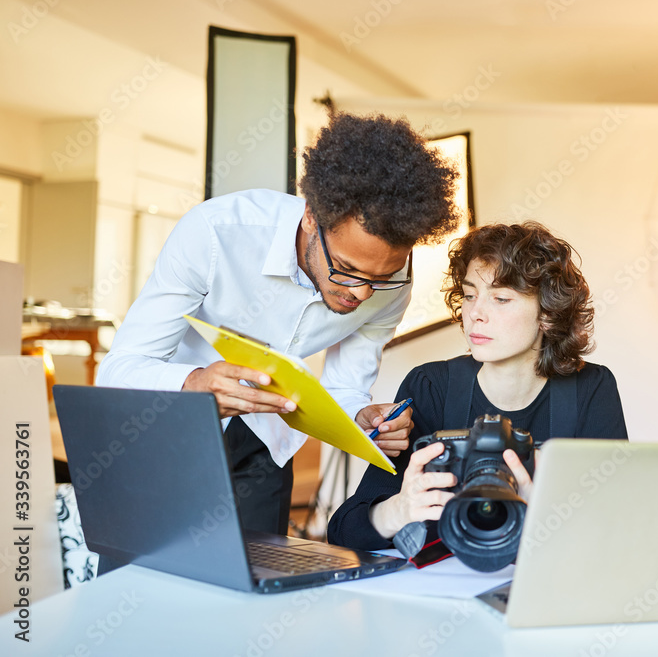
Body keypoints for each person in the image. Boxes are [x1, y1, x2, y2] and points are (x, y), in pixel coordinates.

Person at [97, 112, 460, 536]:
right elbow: (118, 370)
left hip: (265, 446)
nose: (362, 294)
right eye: (346, 269)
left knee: (256, 590)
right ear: (310, 217)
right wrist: (196, 382)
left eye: (379, 278)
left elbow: (344, 388)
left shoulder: (391, 286)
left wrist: (363, 417)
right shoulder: (216, 234)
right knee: (136, 585)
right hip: (164, 428)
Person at [327, 222, 628, 550]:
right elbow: (344, 531)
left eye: (500, 298)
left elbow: (619, 528)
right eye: (470, 295)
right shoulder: (432, 386)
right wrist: (398, 509)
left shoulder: (591, 388)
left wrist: (550, 511)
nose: (475, 314)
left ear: (547, 313)